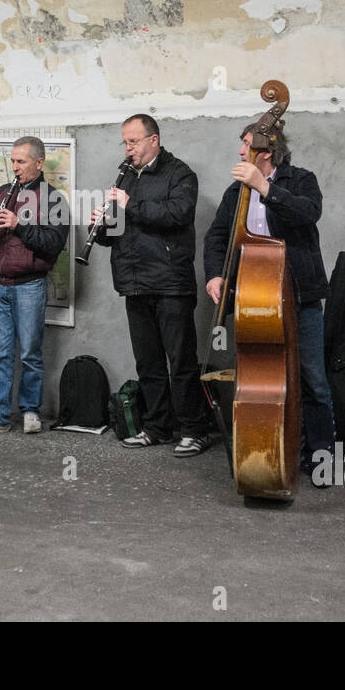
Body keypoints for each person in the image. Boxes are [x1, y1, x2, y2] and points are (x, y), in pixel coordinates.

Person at [202, 123, 336, 478]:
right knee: (260, 378)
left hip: (299, 295)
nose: (241, 152)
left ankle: (320, 456)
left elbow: (308, 214)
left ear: (266, 151)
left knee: (312, 380)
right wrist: (215, 274)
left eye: (246, 145)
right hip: (253, 298)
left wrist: (264, 187)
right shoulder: (236, 191)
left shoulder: (301, 179)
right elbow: (216, 236)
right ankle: (268, 449)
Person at [90, 114, 213, 456]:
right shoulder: (128, 177)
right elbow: (118, 233)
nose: (128, 149)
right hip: (134, 281)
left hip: (171, 282)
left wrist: (130, 205)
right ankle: (157, 427)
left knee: (181, 361)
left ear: (153, 140)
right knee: (148, 362)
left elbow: (177, 215)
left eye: (133, 141)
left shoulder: (180, 174)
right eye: (125, 142)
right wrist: (101, 226)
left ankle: (194, 429)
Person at [0, 138, 70, 438]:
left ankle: (30, 411)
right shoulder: (3, 192)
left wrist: (18, 225)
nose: (15, 167)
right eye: (13, 161)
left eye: (21, 162)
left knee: (30, 354)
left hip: (29, 286)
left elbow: (53, 244)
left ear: (39, 163)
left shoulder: (53, 200)